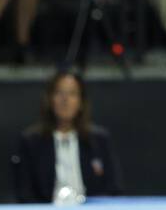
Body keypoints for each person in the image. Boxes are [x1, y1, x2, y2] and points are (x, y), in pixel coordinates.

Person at [12, 71, 124, 202]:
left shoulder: (99, 140)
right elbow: (25, 193)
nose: (65, 100)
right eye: (59, 93)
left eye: (72, 93)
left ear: (81, 102)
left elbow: (114, 189)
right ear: (50, 99)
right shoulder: (31, 142)